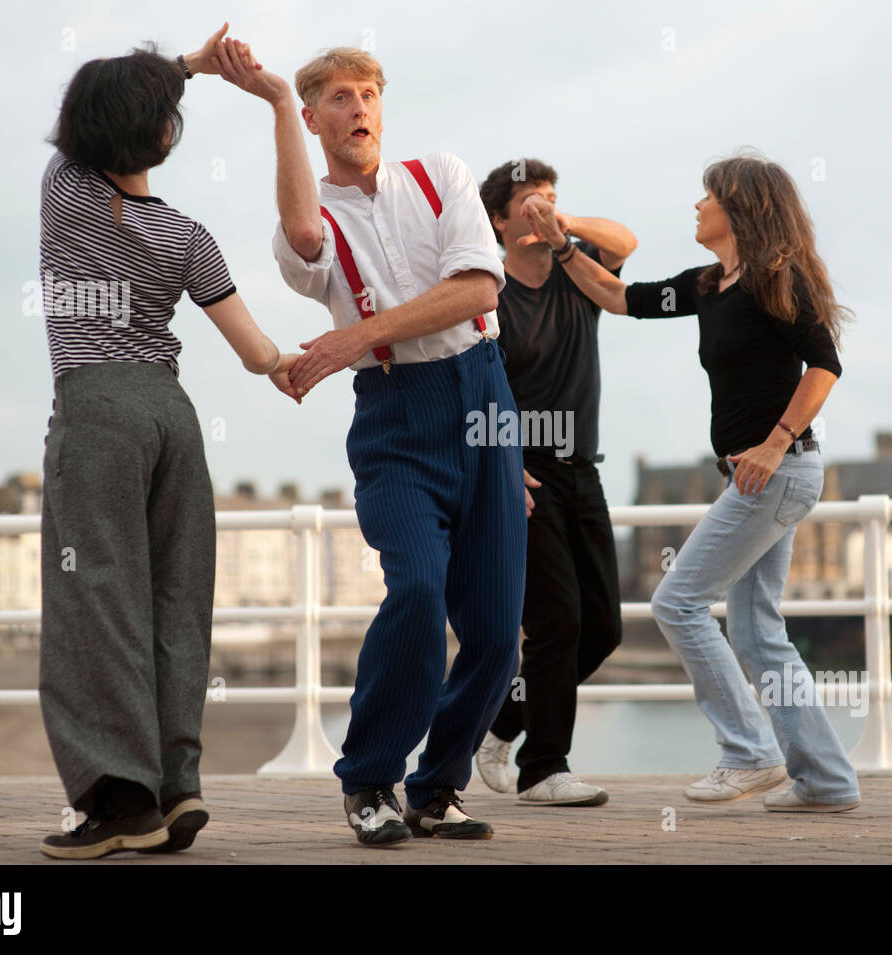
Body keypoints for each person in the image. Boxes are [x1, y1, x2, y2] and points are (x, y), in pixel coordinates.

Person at [213, 40, 526, 846]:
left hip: (484, 397)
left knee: (496, 629)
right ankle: (370, 778)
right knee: (418, 589)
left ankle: (437, 785)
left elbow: (479, 290)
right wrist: (280, 101)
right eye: (339, 100)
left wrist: (356, 336)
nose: (359, 109)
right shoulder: (310, 225)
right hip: (396, 419)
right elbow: (300, 233)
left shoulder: (443, 177)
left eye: (368, 95)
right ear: (317, 119)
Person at [525, 151, 862, 812]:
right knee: (758, 630)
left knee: (676, 601)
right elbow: (621, 297)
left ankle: (750, 752)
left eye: (708, 197)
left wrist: (773, 442)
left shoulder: (775, 277)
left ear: (739, 208)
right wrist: (564, 244)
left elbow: (823, 366)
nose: (698, 205)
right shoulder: (709, 286)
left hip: (778, 470)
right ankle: (825, 777)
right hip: (763, 476)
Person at [37, 27, 304, 860]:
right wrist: (324, 356)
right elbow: (262, 356)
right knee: (176, 600)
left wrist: (188, 65)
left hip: (98, 413)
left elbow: (101, 110)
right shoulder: (187, 236)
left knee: (97, 602)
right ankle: (176, 783)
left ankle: (122, 802)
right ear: (163, 134)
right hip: (172, 417)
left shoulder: (67, 191)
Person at [472, 159, 635, 806]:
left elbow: (627, 241)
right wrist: (504, 465)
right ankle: (543, 768)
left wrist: (562, 222)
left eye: (551, 196)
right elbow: (473, 392)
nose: (542, 207)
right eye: (528, 200)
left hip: (583, 470)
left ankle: (505, 723)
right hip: (524, 477)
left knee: (603, 630)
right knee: (556, 622)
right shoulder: (487, 293)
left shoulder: (578, 270)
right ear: (498, 219)